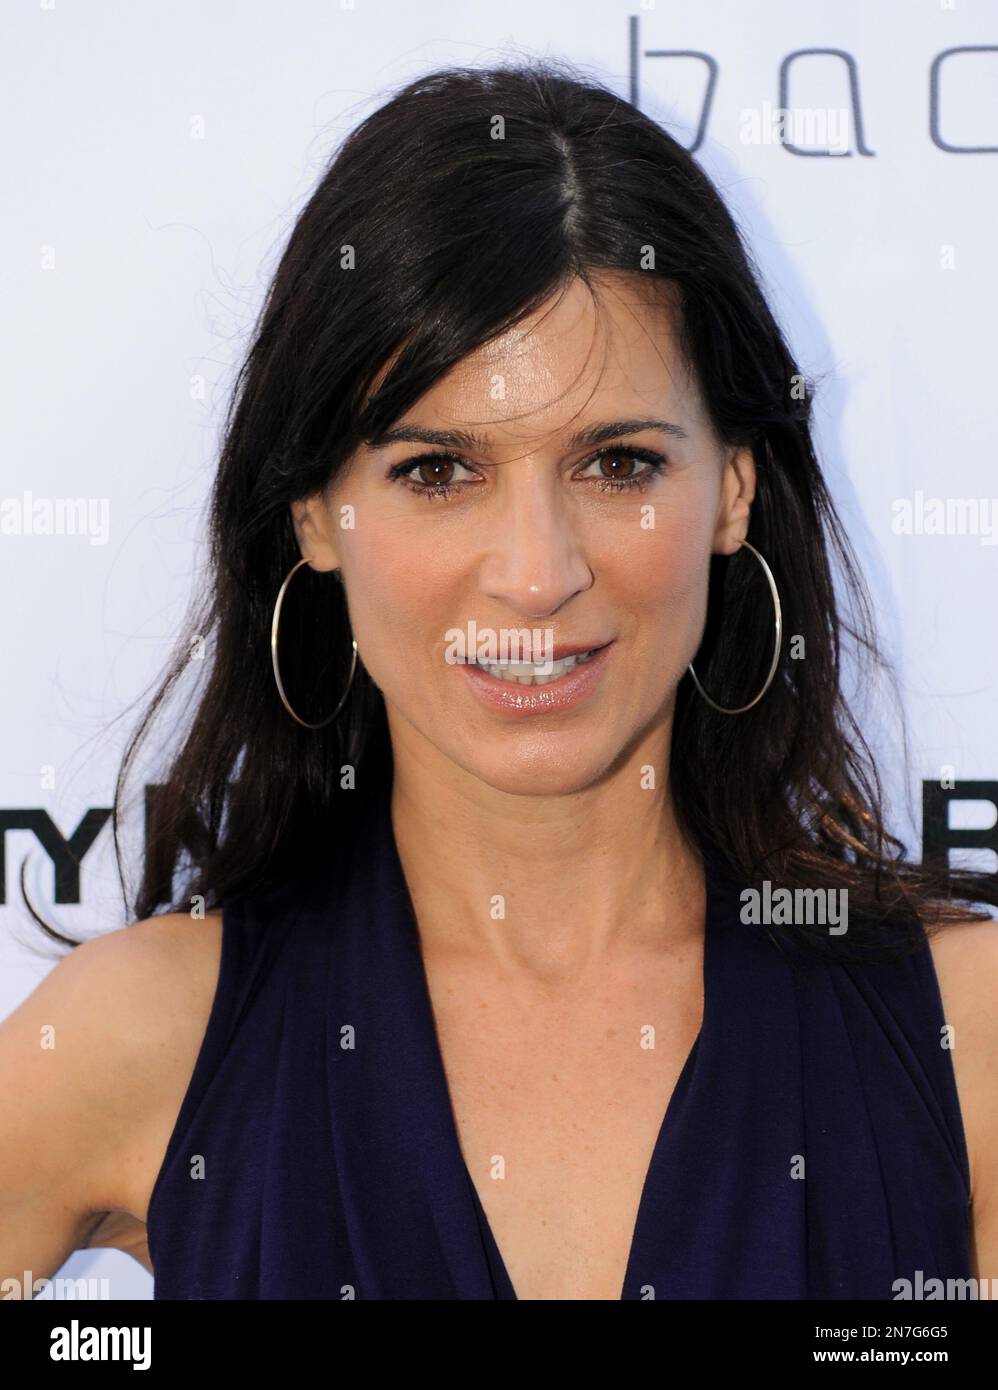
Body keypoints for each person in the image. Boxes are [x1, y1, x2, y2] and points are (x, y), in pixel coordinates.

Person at [2, 59, 997, 1302]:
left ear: (732, 489)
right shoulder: (142, 1038)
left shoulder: (962, 1040)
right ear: (314, 512)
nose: (536, 574)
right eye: (436, 470)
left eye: (618, 462)